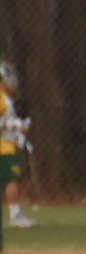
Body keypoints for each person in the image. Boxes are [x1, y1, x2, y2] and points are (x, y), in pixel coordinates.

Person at [1, 61, 33, 228]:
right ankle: (16, 215)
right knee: (12, 180)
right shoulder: (0, 97)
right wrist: (13, 125)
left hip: (8, 144)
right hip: (3, 147)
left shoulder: (6, 98)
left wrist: (20, 128)